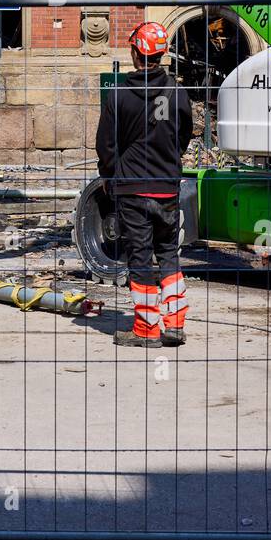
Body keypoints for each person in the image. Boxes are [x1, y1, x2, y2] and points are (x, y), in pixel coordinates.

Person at [95, 22, 193, 348]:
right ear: (162, 54)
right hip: (167, 187)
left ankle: (147, 330)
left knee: (139, 258)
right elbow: (184, 136)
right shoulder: (177, 92)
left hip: (132, 189)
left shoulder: (120, 95)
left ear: (135, 53)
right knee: (168, 255)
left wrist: (110, 176)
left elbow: (106, 146)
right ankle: (175, 325)